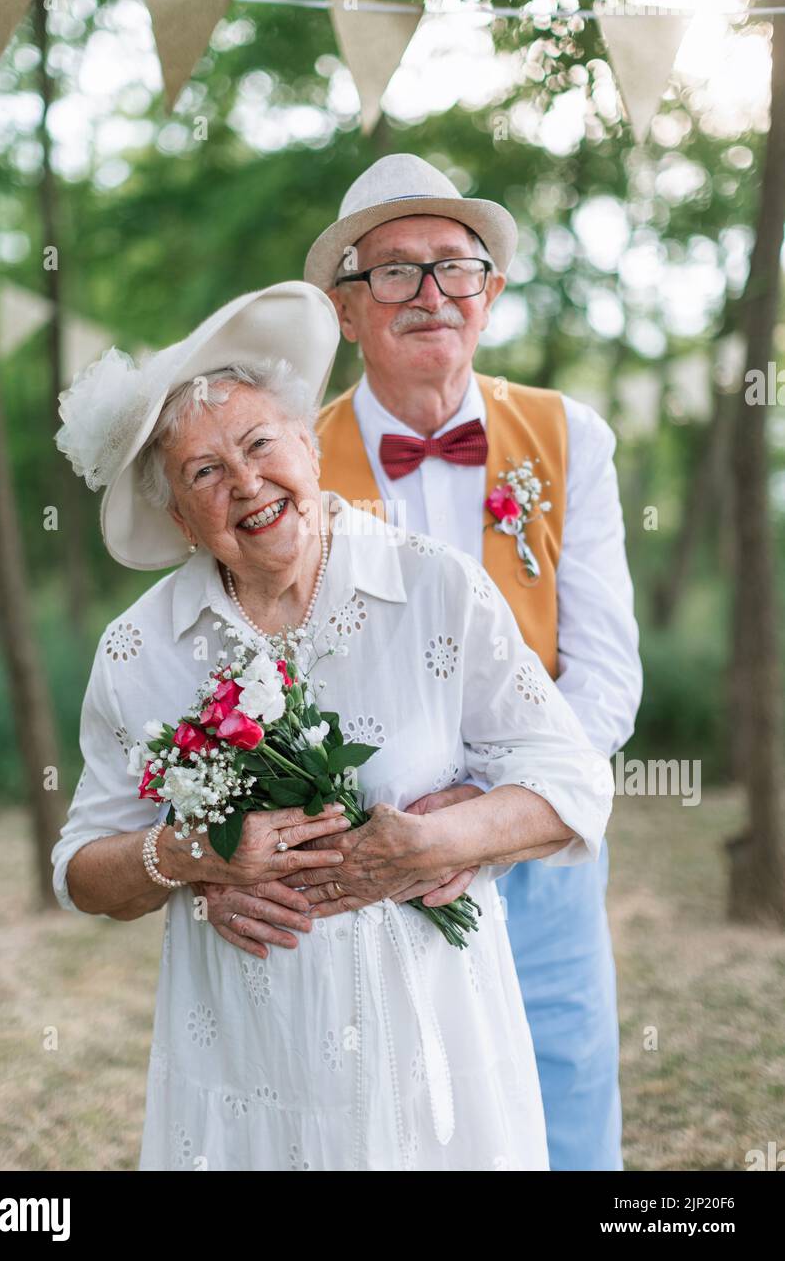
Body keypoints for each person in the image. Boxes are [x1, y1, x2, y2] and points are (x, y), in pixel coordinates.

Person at [51, 279, 615, 1171]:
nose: (245, 483)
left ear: (310, 448)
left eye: (259, 443)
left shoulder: (438, 588)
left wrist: (442, 841)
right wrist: (194, 855)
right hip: (247, 1067)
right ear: (182, 520)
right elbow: (83, 872)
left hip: (434, 1063)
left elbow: (577, 784)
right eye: (205, 473)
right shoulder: (139, 649)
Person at [297, 153, 642, 1171]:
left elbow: (605, 667)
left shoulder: (567, 434)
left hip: (537, 841)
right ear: (344, 309)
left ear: (487, 292)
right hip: (367, 849)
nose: (429, 293)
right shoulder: (292, 461)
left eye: (453, 265)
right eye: (392, 271)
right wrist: (395, 832)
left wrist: (491, 814)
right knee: (387, 1120)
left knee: (565, 1098)